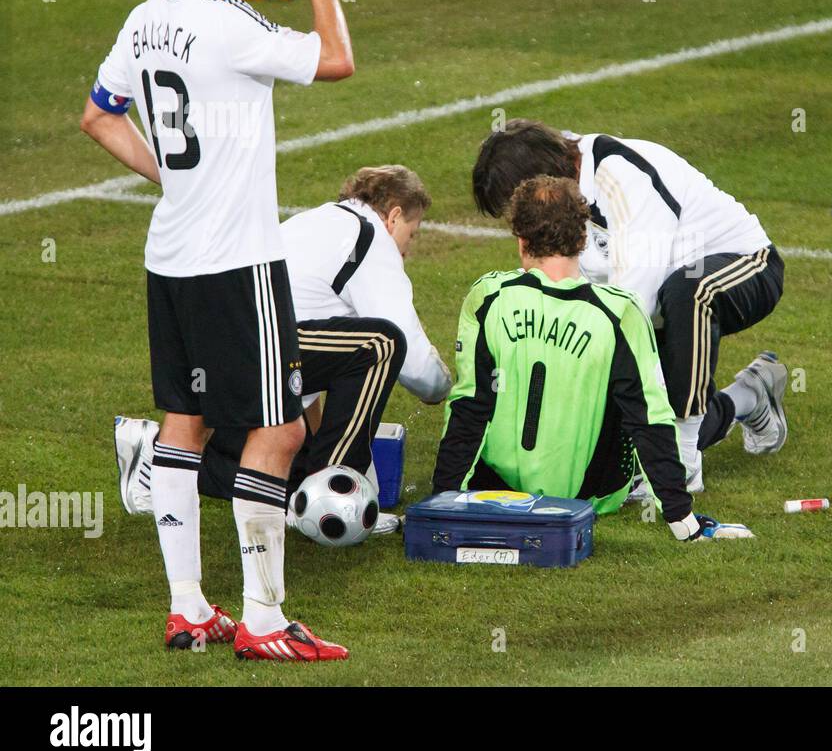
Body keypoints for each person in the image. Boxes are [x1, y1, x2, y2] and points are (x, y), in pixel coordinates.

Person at [80, 0, 354, 660]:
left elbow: (99, 114)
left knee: (185, 423)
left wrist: (169, 176)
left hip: (171, 258)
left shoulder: (144, 20)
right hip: (238, 262)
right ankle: (265, 621)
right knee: (279, 430)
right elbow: (337, 60)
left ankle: (189, 609)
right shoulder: (232, 27)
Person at [114, 165, 453, 538]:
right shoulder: (370, 236)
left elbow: (314, 355)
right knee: (381, 345)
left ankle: (159, 457)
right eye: (412, 233)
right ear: (394, 216)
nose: (408, 246)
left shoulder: (314, 223)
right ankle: (334, 495)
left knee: (280, 472)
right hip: (258, 346)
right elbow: (413, 358)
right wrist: (447, 387)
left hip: (223, 346)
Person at [471, 119, 787, 495]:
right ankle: (750, 396)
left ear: (542, 180)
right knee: (638, 428)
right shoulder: (560, 194)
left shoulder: (622, 176)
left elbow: (633, 300)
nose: (520, 220)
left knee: (688, 292)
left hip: (743, 266)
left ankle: (683, 466)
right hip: (658, 303)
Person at [434, 176, 752, 541]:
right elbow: (649, 420)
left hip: (493, 487)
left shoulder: (488, 295)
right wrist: (684, 522)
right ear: (583, 240)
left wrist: (441, 502)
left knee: (487, 389)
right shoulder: (619, 311)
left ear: (521, 240)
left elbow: (468, 408)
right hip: (586, 495)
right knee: (631, 391)